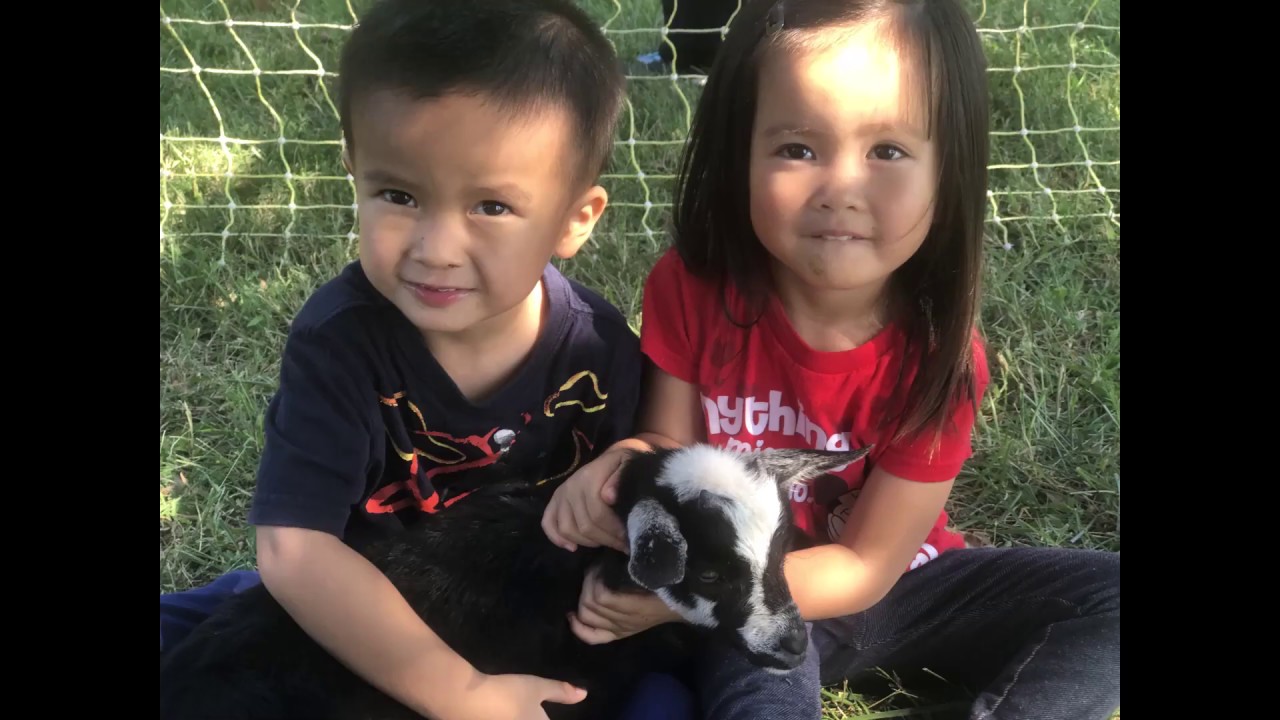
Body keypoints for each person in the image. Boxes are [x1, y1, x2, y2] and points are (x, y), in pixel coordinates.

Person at [541, 0, 1121, 719]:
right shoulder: (692, 287)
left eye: (888, 150)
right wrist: (621, 461)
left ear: (950, 167)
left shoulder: (940, 357)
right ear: (739, 152)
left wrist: (671, 611)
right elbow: (668, 445)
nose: (842, 190)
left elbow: (866, 566)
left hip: (893, 590)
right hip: (743, 598)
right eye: (798, 148)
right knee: (762, 685)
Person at [158, 0, 696, 717]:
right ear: (352, 170)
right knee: (213, 647)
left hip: (511, 621)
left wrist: (625, 459)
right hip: (361, 612)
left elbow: (650, 459)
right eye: (399, 195)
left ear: (576, 218)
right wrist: (458, 692)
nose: (436, 248)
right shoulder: (341, 342)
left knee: (664, 699)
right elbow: (296, 551)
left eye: (492, 207)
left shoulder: (597, 347)